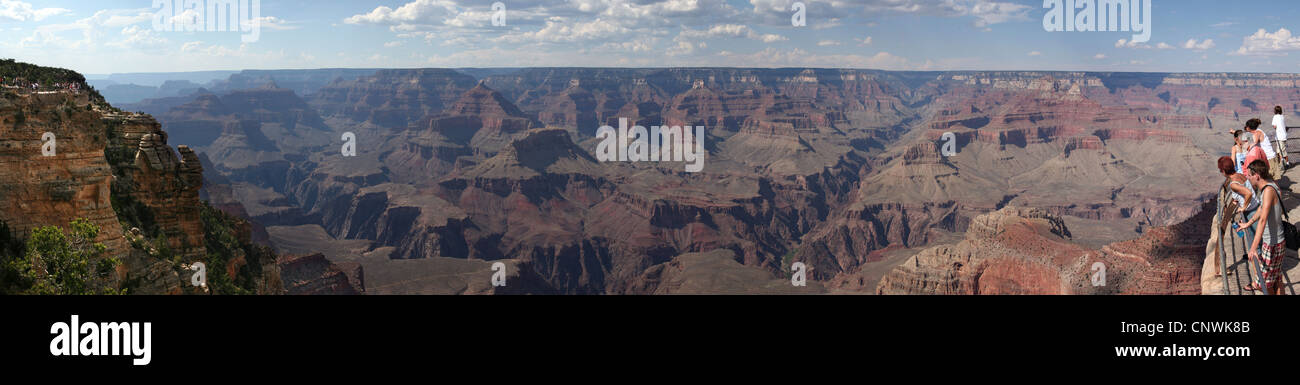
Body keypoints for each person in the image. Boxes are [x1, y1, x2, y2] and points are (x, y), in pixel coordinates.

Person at [1238, 160, 1287, 295]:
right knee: (1277, 279)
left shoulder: (1267, 191)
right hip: (1277, 241)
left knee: (1262, 284)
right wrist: (1248, 223)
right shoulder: (1270, 185)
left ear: (1257, 175)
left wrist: (1253, 247)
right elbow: (1261, 209)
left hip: (1272, 244)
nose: (1247, 177)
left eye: (1249, 175)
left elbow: (1263, 219)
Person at [1217, 156, 1257, 277]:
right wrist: (1237, 200)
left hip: (1251, 212)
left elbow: (1248, 193)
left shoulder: (1233, 184)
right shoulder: (1240, 174)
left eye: (1220, 170)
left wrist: (1243, 206)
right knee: (1255, 242)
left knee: (1256, 247)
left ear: (1223, 171)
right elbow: (1248, 189)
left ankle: (1258, 279)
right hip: (1255, 208)